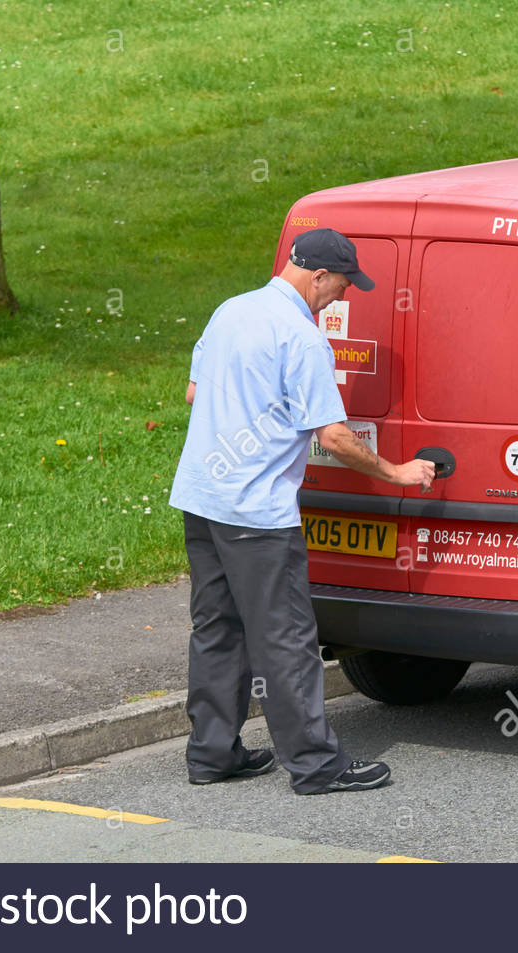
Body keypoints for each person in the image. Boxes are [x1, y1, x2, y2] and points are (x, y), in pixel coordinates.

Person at [169, 228, 436, 795]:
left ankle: (212, 753)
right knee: (285, 637)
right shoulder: (303, 337)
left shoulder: (230, 311)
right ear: (317, 276)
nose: (342, 298)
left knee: (217, 628)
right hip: (257, 513)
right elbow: (335, 437)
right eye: (341, 286)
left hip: (202, 498)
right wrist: (396, 472)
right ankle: (316, 764)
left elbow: (195, 395)